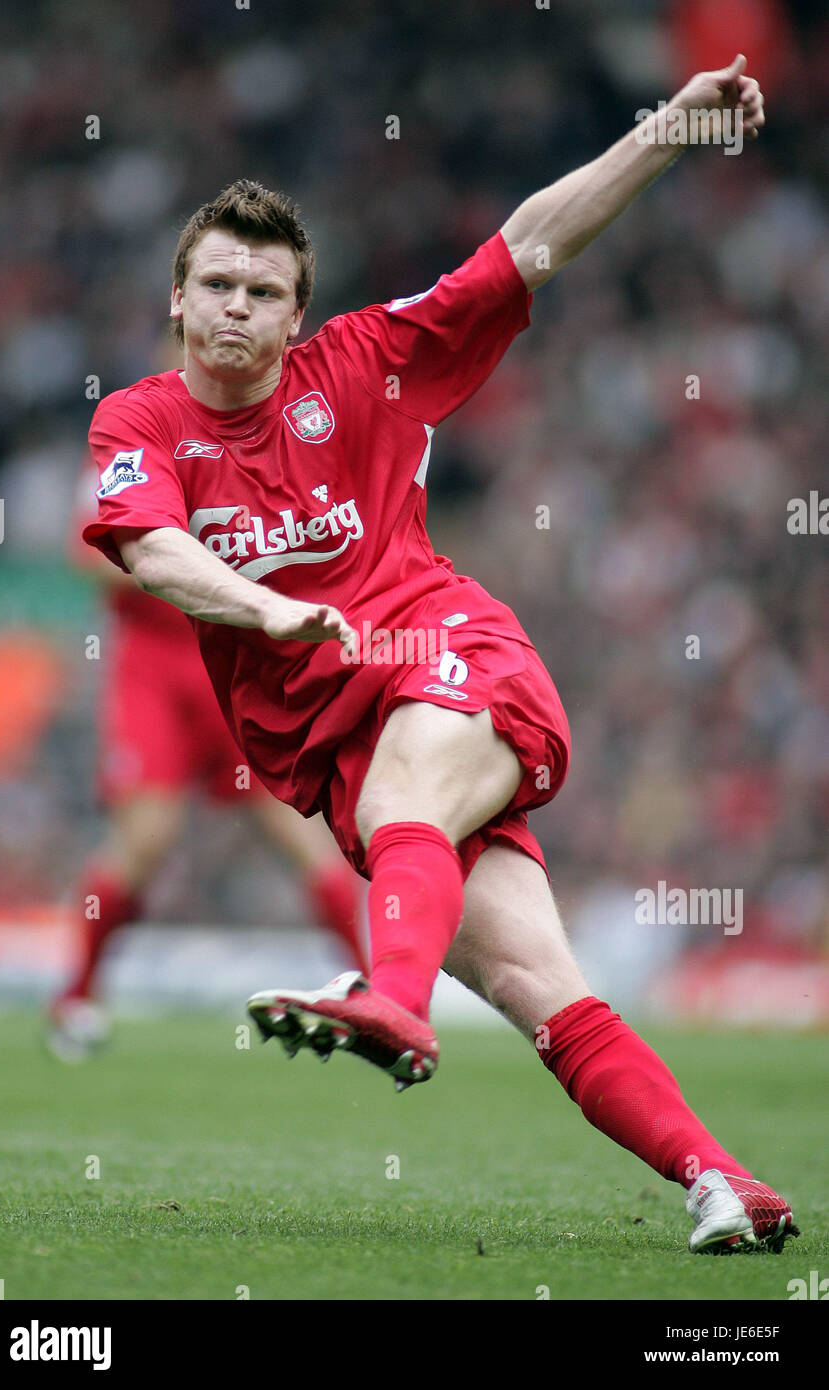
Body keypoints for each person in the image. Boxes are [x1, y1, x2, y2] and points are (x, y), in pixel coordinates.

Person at [81, 54, 798, 1253]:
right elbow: (149, 552)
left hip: (449, 658)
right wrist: (264, 610)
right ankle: (725, 1183)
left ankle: (390, 1002)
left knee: (411, 794)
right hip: (345, 755)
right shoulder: (139, 422)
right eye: (216, 284)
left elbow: (528, 246)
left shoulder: (364, 362)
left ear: (297, 315)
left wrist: (670, 126)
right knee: (539, 992)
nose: (237, 308)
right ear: (175, 301)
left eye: (264, 291)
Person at [48, 446, 367, 1061]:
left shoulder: (261, 440)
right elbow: (85, 555)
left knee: (297, 829)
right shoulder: (127, 446)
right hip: (152, 670)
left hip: (235, 660)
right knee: (146, 838)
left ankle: (373, 996)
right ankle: (77, 997)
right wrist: (188, 571)